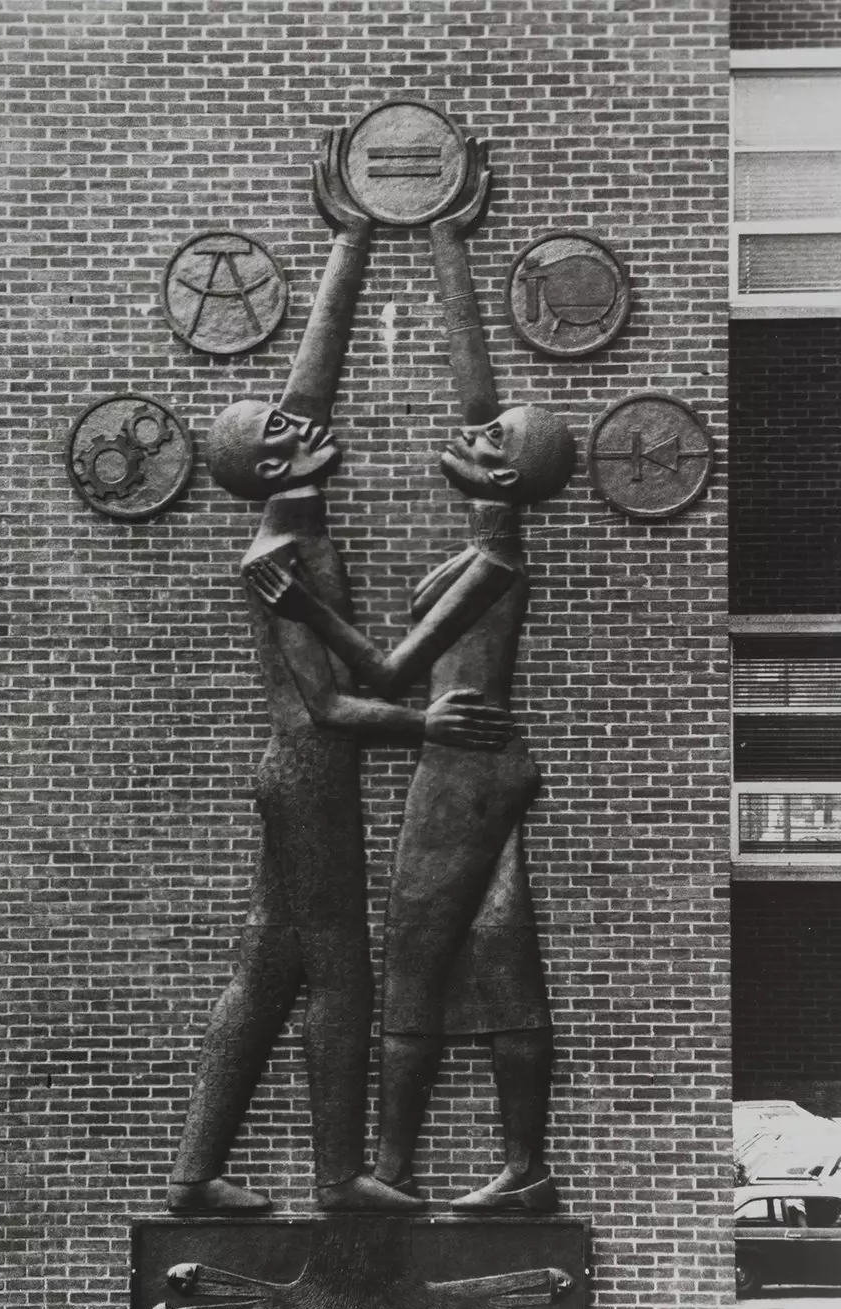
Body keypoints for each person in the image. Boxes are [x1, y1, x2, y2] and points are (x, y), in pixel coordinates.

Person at [167, 132, 513, 1215]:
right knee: (341, 973)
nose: (303, 425)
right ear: (269, 469)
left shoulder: (292, 524)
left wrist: (361, 241)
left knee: (268, 970)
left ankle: (191, 1177)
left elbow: (307, 394)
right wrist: (427, 727)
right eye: (282, 434)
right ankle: (335, 1176)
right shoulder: (281, 555)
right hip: (312, 769)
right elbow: (329, 701)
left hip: (295, 769)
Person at [248, 141, 575, 1210]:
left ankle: (388, 1172)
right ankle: (524, 1170)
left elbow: (388, 667)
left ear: (503, 481)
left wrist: (307, 611)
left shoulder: (493, 558)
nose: (469, 438)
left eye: (488, 448)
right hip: (481, 765)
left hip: (460, 764)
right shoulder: (497, 519)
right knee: (499, 952)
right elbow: (484, 410)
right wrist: (441, 239)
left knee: (410, 965)